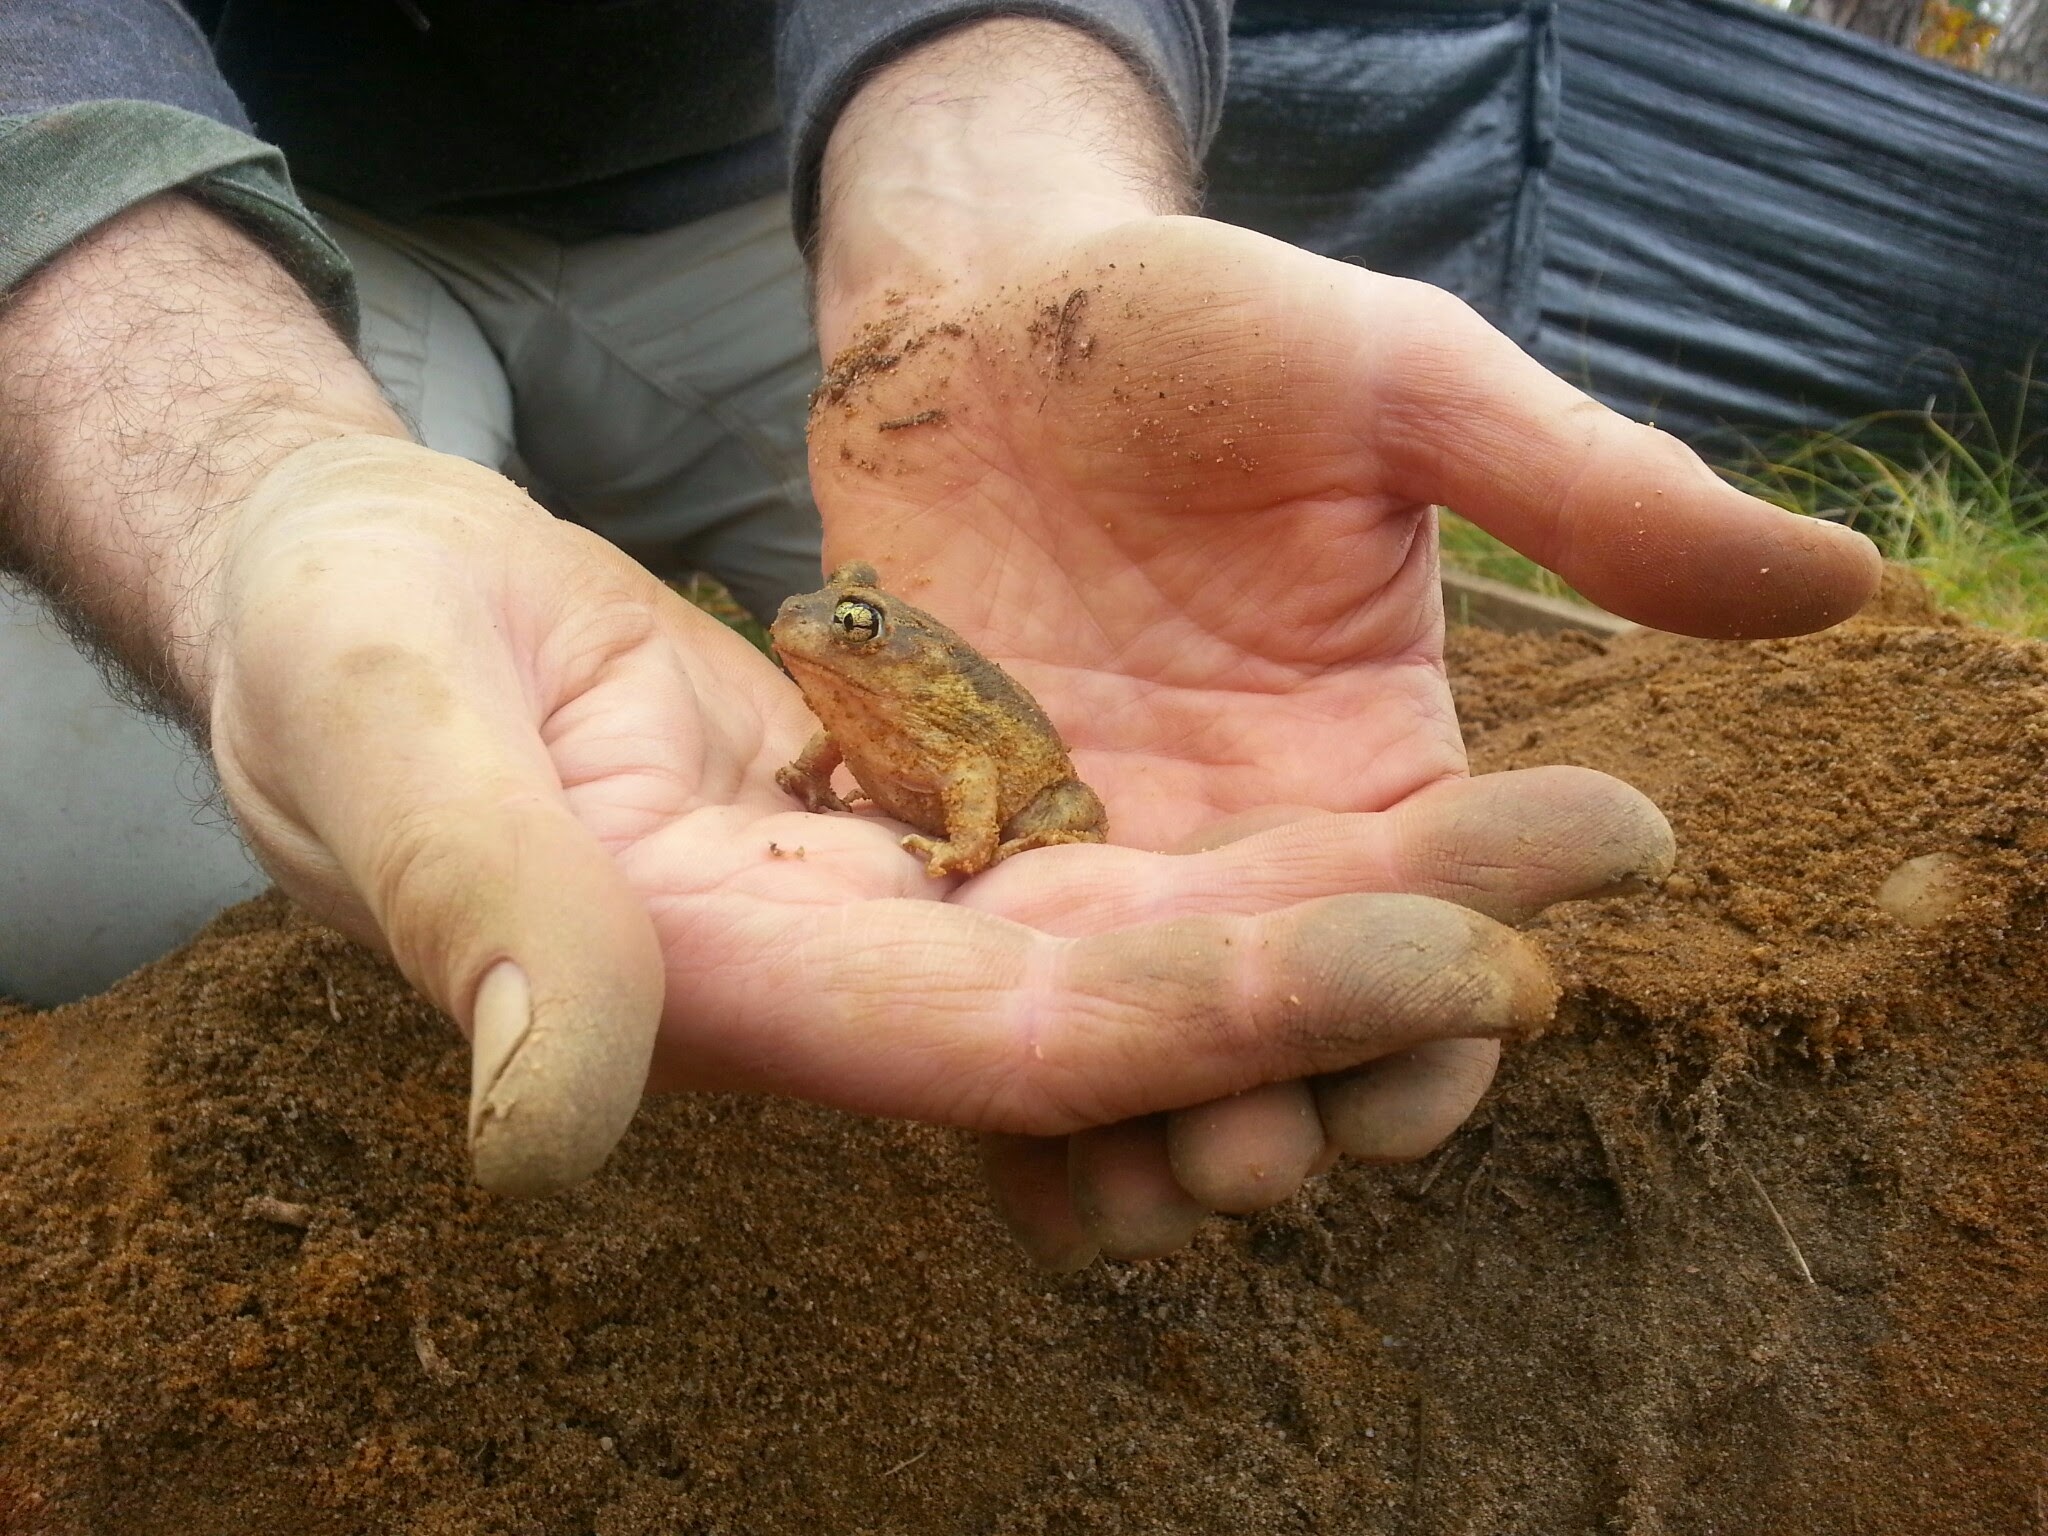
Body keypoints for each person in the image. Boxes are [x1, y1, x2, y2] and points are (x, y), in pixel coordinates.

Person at [0, 2, 1880, 1269]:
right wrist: (245, 479)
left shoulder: (906, 678)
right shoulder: (857, 681)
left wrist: (994, 226)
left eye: (853, 634)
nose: (831, 643)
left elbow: (990, 767)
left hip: (771, 177)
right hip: (247, 216)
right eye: (833, 641)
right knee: (128, 870)